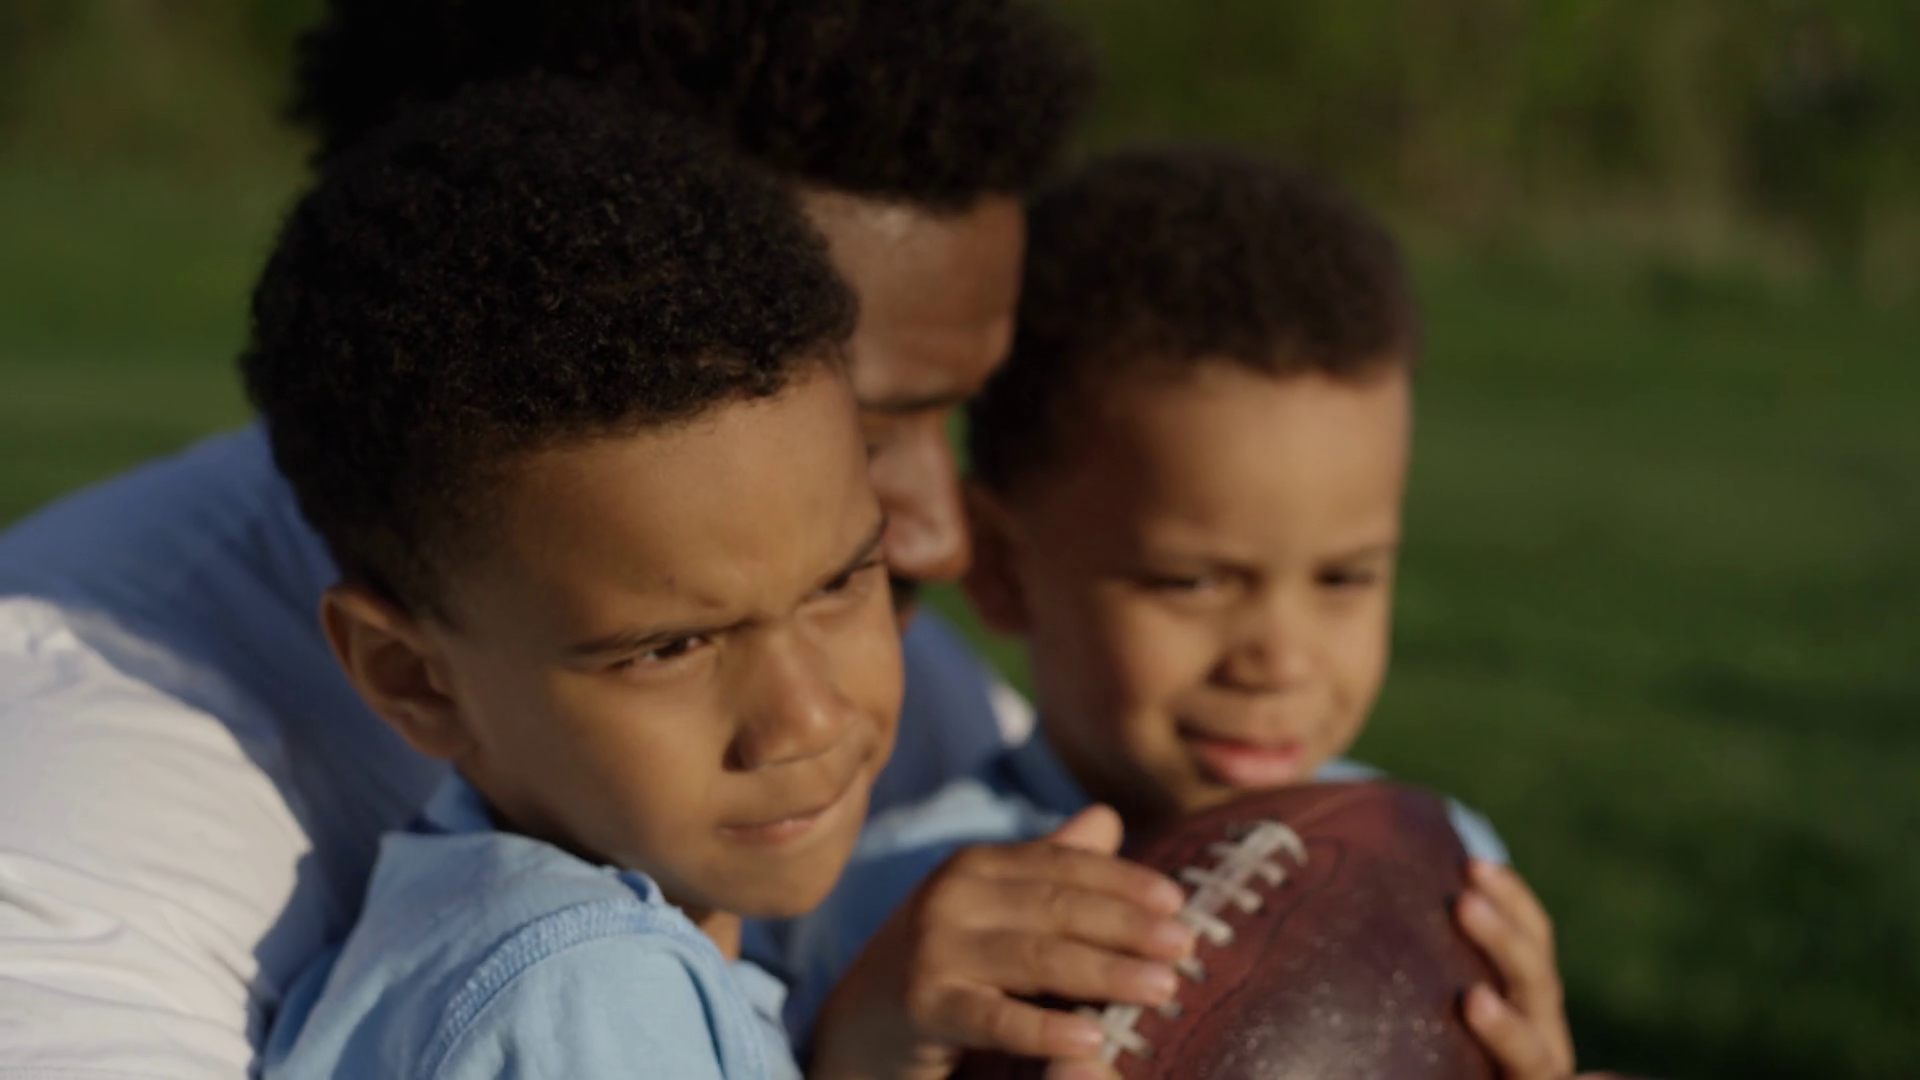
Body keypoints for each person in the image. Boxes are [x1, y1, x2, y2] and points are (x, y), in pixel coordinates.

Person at [0, 1, 1089, 1074]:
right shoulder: (69, 819)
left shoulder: (820, 649)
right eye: (877, 422)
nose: (941, 541)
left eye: (841, 575)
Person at [773, 148, 1583, 1080]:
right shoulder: (897, 902)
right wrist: (858, 1047)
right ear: (1002, 566)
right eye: (1192, 584)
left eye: (1344, 579)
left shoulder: (1446, 866)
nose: (1279, 659)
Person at [250, 74, 904, 1078]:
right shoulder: (587, 994)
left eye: (840, 584)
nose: (807, 719)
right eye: (670, 648)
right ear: (413, 678)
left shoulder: (504, 940)